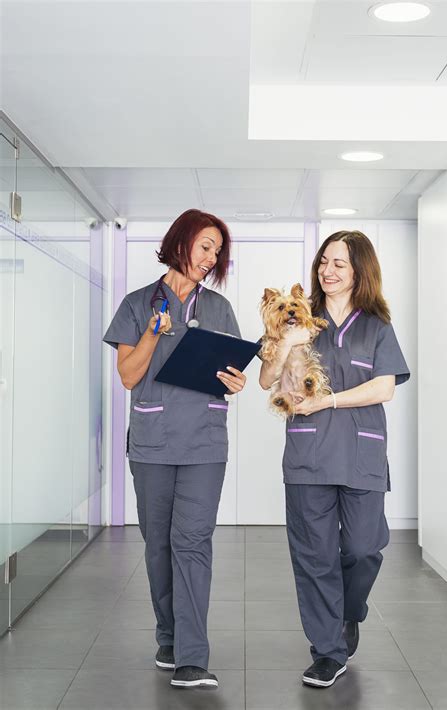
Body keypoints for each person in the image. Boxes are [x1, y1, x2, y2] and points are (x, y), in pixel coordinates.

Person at [259, 230, 409, 688]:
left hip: (361, 451)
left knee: (363, 548)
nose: (328, 270)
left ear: (360, 270)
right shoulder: (300, 316)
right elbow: (267, 380)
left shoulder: (376, 326)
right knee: (314, 555)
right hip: (308, 456)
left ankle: (348, 611)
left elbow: (383, 388)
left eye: (339, 263)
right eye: (324, 261)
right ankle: (327, 651)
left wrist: (327, 402)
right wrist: (287, 341)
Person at [103, 209, 246, 689]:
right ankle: (168, 633)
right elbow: (127, 376)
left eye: (217, 252)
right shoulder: (137, 303)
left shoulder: (220, 309)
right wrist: (152, 332)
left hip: (205, 442)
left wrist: (237, 379)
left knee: (192, 542)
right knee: (158, 543)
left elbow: (229, 369)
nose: (211, 258)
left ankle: (191, 655)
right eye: (206, 247)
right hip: (152, 441)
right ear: (182, 242)